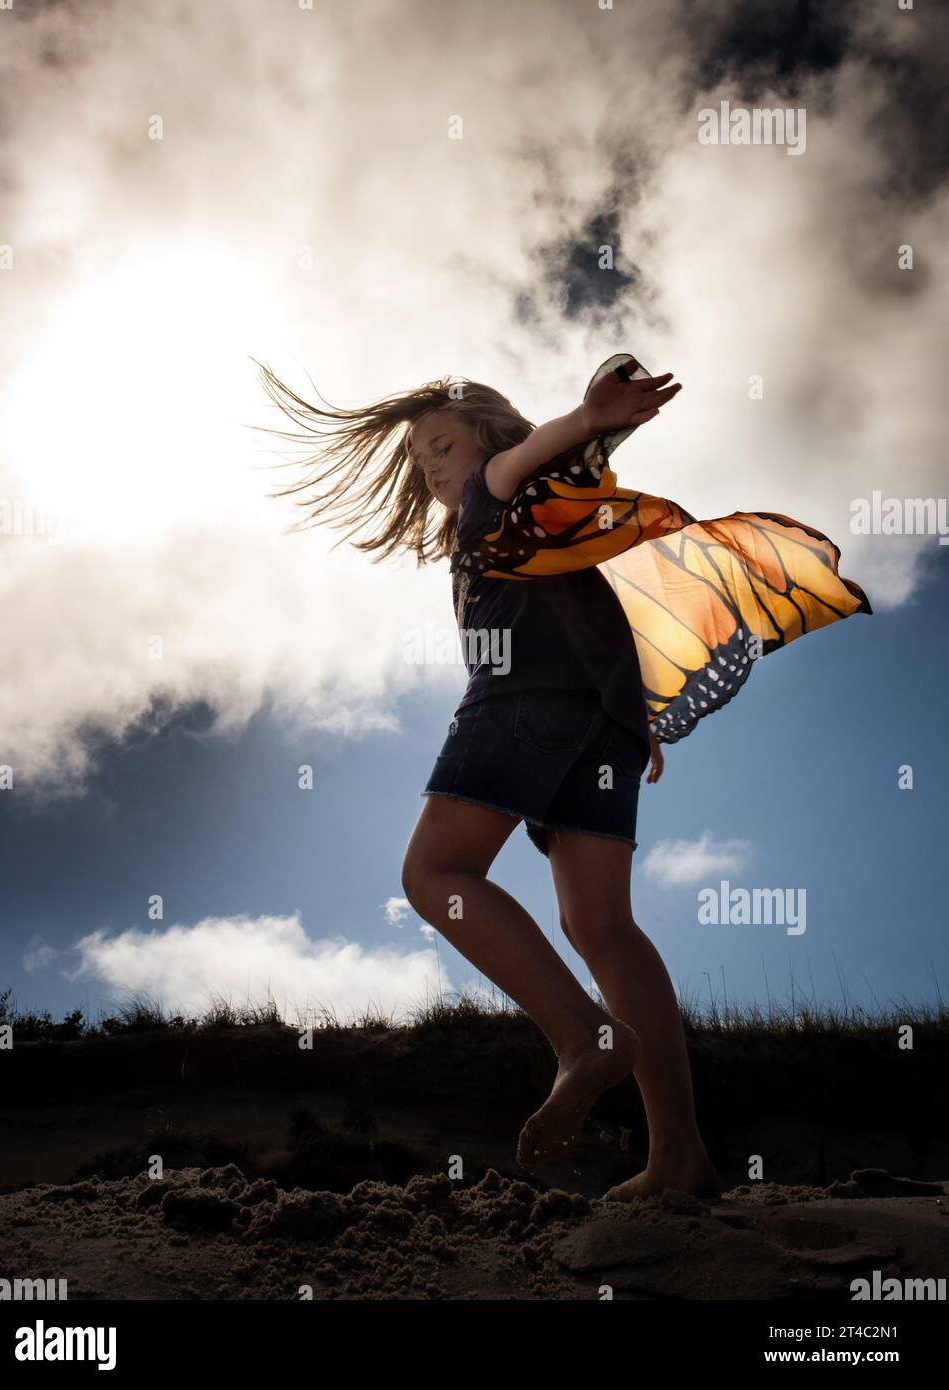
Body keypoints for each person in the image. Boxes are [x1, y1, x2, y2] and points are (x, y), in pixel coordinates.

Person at [253, 353, 869, 1201]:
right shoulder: (544, 528)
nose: (432, 466)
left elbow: (525, 456)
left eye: (443, 444)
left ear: (490, 438)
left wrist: (587, 419)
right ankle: (681, 1157)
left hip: (520, 706)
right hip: (600, 726)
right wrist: (632, 717)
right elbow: (602, 616)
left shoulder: (493, 497)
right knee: (603, 925)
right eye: (419, 458)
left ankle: (583, 1038)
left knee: (436, 874)